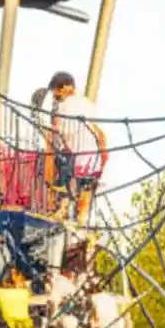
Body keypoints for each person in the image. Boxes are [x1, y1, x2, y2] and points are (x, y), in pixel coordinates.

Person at [42, 72, 107, 221]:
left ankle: (62, 209)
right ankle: (82, 220)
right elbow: (100, 131)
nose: (55, 97)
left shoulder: (64, 106)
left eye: (56, 92)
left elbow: (58, 131)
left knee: (66, 182)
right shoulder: (89, 104)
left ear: (64, 88)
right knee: (86, 189)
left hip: (75, 155)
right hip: (92, 158)